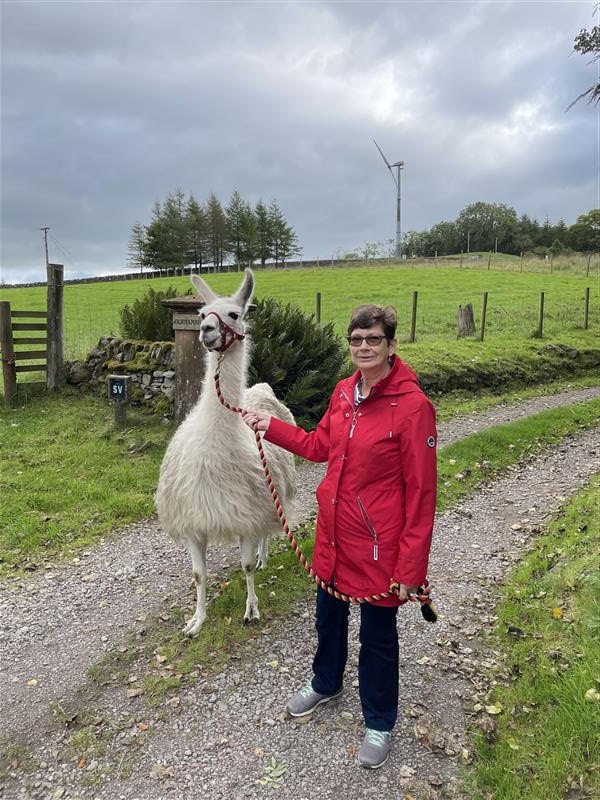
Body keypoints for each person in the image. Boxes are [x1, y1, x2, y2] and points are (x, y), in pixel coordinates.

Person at [241, 303, 437, 769]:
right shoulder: (344, 393)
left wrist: (411, 568)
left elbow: (422, 494)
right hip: (333, 535)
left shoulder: (413, 408)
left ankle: (379, 721)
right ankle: (326, 682)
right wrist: (273, 429)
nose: (364, 347)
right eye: (356, 340)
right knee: (327, 620)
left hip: (378, 546)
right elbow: (319, 446)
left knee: (378, 638)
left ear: (391, 345)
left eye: (373, 339)